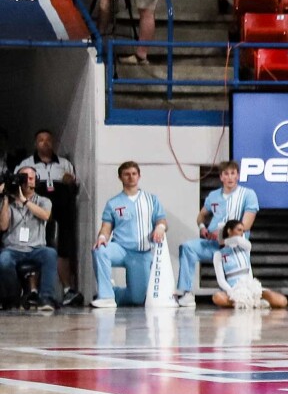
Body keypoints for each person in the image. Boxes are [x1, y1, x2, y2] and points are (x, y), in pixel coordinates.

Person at [176, 161, 260, 307]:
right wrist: (202, 227)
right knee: (187, 247)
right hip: (213, 244)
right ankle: (186, 293)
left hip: (234, 248)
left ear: (238, 176)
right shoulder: (213, 196)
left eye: (233, 173)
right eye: (226, 174)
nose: (230, 177)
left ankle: (245, 297)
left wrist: (222, 233)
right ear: (221, 177)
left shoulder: (248, 194)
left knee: (227, 296)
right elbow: (200, 216)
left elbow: (246, 225)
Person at [91, 161, 168, 308]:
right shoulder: (113, 203)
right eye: (127, 174)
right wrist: (102, 238)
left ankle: (114, 293)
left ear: (139, 176)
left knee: (137, 299)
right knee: (100, 249)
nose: (131, 177)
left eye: (134, 174)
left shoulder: (151, 200)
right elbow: (106, 227)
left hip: (141, 253)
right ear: (120, 177)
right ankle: (106, 296)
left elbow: (162, 220)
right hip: (121, 249)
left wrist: (160, 227)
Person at [19, 129, 79, 305]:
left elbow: (74, 186)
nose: (45, 143)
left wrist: (70, 181)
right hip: (36, 209)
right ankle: (33, 291)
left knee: (63, 248)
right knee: (37, 247)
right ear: (35, 143)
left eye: (48, 140)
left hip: (62, 209)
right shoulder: (26, 164)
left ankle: (68, 290)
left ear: (53, 143)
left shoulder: (65, 163)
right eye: (41, 140)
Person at [0, 166, 56, 311]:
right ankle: (13, 297)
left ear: (36, 181)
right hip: (13, 248)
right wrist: (6, 199)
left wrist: (24, 201)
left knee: (50, 254)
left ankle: (45, 297)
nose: (27, 181)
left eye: (30, 178)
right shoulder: (10, 202)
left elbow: (45, 215)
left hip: (36, 248)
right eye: (23, 178)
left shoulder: (44, 201)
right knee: (4, 260)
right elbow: (3, 226)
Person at [212, 220, 288, 309]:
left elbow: (238, 240)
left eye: (243, 231)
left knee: (282, 301)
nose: (242, 233)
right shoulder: (219, 254)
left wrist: (224, 240)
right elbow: (221, 280)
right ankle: (247, 303)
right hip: (233, 289)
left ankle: (249, 303)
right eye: (239, 230)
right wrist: (231, 292)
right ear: (229, 231)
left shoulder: (246, 247)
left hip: (250, 287)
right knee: (217, 297)